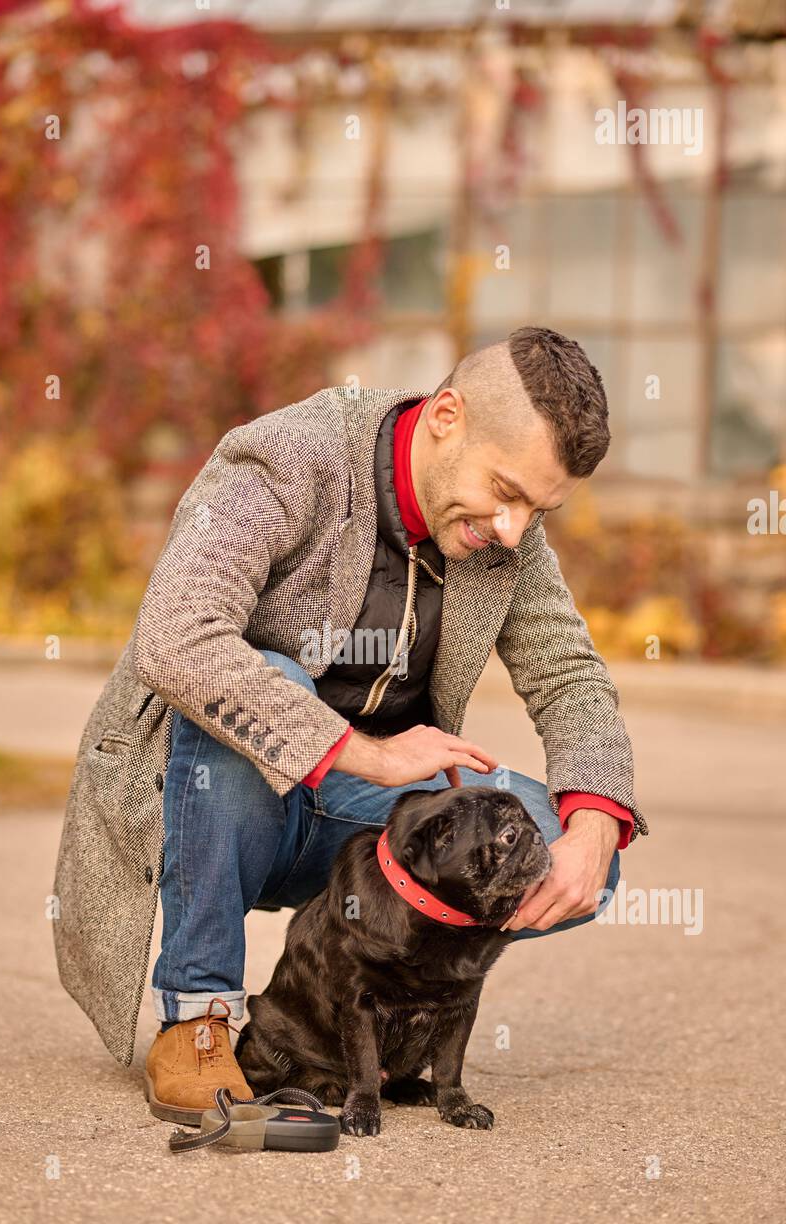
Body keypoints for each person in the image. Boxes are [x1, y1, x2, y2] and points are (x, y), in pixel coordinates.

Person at [51, 326, 648, 1124]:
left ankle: (399, 1009)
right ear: (445, 417)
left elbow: (570, 678)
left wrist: (598, 821)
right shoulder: (291, 459)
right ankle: (197, 1018)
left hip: (370, 836)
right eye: (505, 493)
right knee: (270, 674)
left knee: (565, 845)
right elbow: (177, 637)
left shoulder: (511, 531)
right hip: (218, 806)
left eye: (537, 510)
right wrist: (362, 752)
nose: (512, 529)